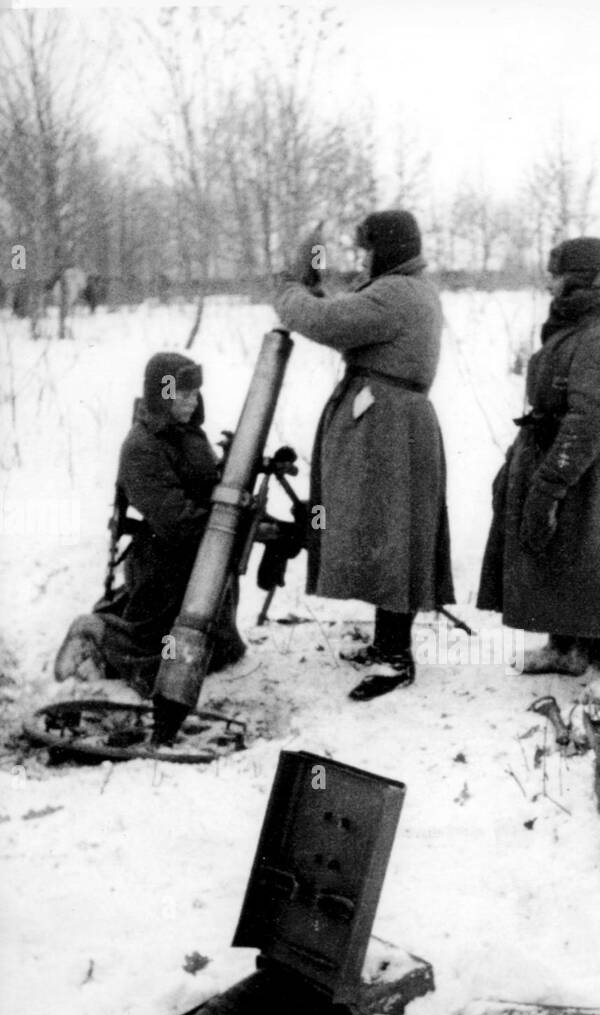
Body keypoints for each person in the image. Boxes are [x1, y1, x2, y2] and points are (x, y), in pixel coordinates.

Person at [273, 210, 454, 700]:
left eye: (369, 249)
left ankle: (396, 658)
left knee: (391, 533)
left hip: (390, 427)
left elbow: (325, 319)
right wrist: (309, 278)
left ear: (388, 249)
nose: (363, 258)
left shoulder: (396, 294)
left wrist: (289, 287)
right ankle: (387, 643)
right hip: (389, 422)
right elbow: (340, 307)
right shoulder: (404, 288)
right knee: (385, 530)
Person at [477, 236, 600, 703]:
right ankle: (567, 648)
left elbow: (591, 419)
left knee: (595, 555)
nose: (549, 282)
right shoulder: (574, 329)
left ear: (578, 279)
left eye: (557, 274)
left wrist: (550, 482)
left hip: (588, 466)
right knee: (557, 551)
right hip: (556, 450)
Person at [53, 352, 246, 695]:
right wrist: (230, 524)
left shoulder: (187, 434)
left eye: (195, 393)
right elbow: (174, 519)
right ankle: (93, 633)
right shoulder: (141, 447)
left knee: (221, 650)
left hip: (196, 554)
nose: (191, 400)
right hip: (164, 563)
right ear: (163, 394)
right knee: (155, 651)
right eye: (182, 393)